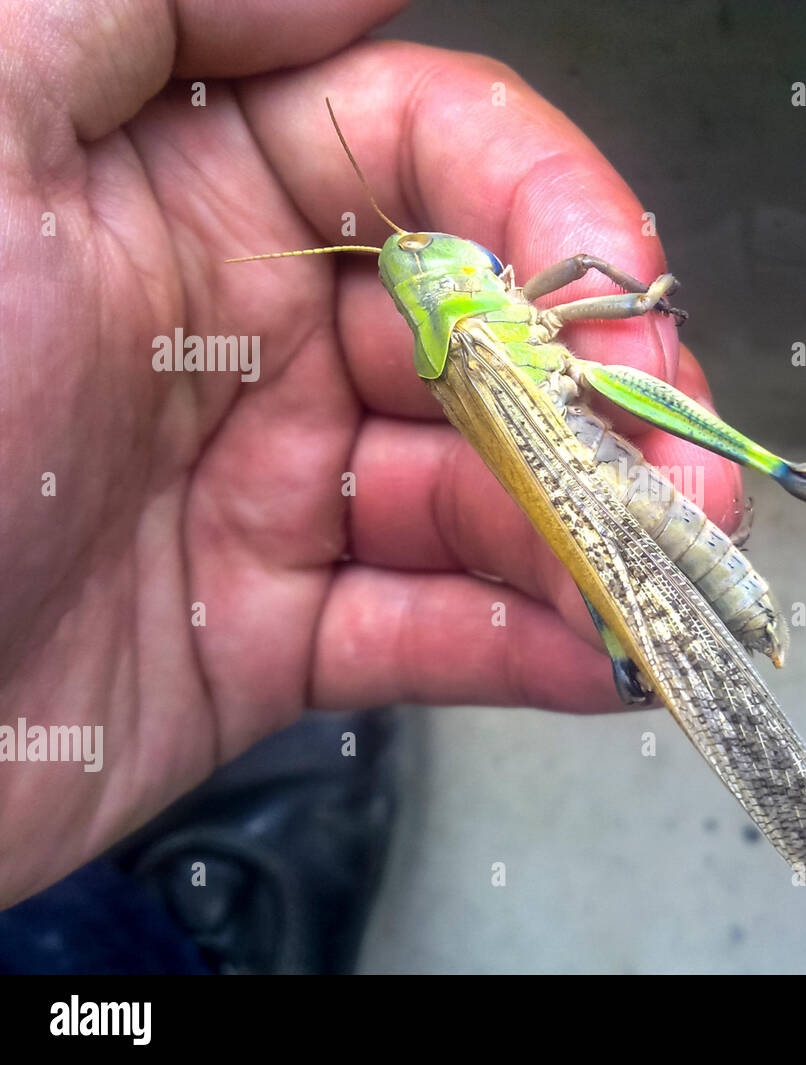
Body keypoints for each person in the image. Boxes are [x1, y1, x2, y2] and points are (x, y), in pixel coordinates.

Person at [0, 0, 742, 921]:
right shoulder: (483, 333)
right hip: (601, 488)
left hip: (587, 477)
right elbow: (586, 259)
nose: (430, 251)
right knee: (661, 511)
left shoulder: (450, 356)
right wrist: (642, 298)